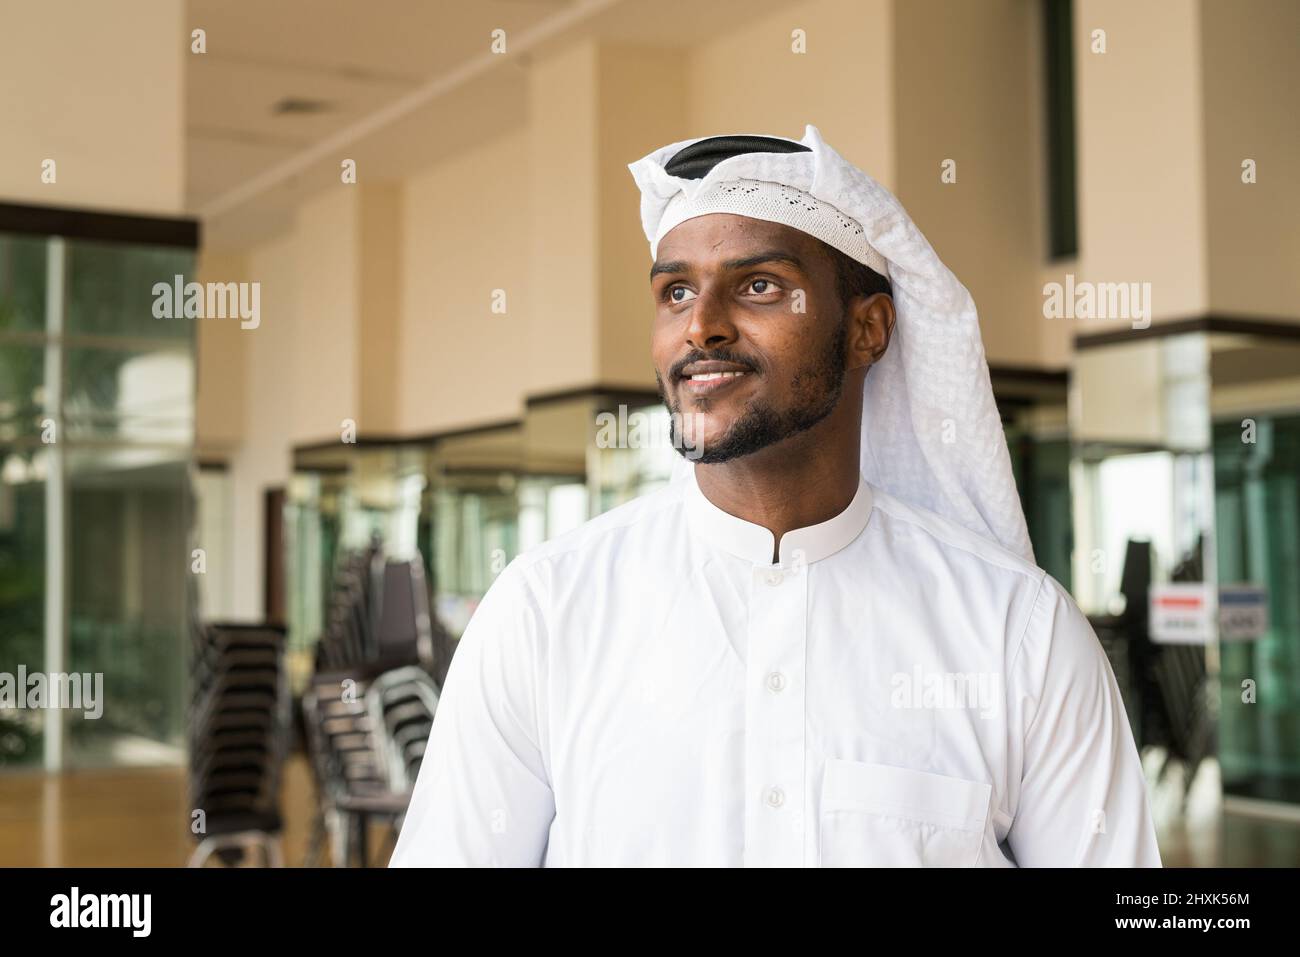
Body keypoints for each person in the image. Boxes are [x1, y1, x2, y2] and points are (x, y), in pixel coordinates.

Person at [390, 126, 1161, 867]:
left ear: (868, 329)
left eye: (759, 286)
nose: (701, 327)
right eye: (676, 291)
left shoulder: (1016, 632)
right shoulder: (545, 614)